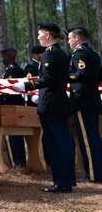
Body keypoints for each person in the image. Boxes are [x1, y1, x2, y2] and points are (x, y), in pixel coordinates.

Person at [16, 23, 75, 193]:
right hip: (59, 103)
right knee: (63, 142)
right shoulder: (60, 53)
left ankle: (61, 182)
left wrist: (27, 85)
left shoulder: (50, 54)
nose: (38, 37)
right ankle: (67, 179)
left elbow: (48, 79)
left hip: (51, 104)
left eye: (40, 34)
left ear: (48, 35)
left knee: (55, 144)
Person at [66, 26, 102, 184]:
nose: (68, 41)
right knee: (94, 137)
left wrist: (65, 77)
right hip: (92, 100)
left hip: (83, 101)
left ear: (77, 39)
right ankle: (96, 172)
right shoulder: (94, 54)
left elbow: (82, 74)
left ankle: (93, 175)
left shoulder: (80, 53)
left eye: (70, 38)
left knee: (87, 140)